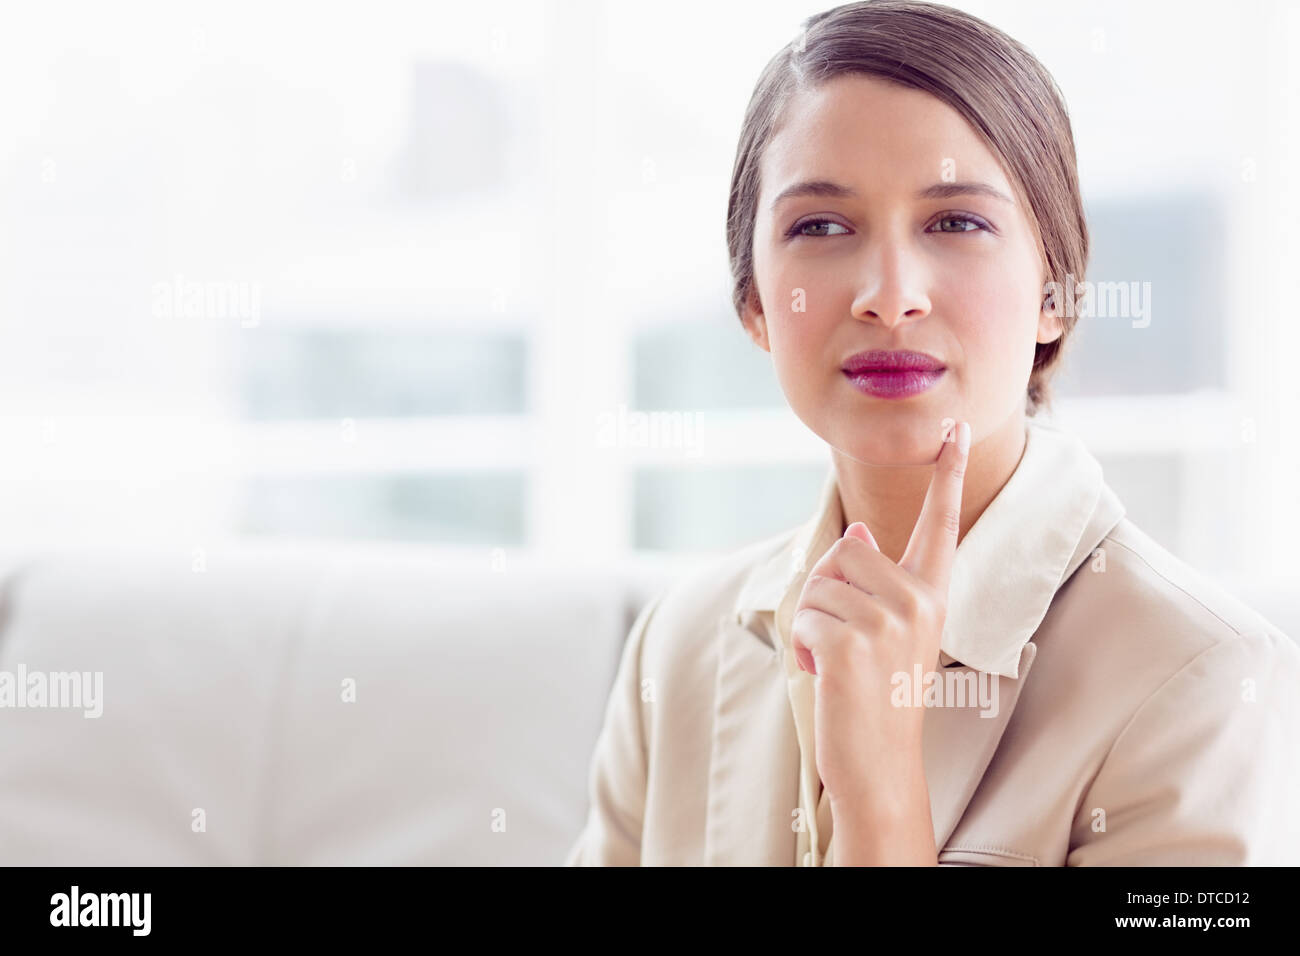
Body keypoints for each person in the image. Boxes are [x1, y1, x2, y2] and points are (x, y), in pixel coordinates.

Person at [565, 0, 1300, 866]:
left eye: (956, 222)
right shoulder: (681, 642)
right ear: (754, 302)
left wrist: (881, 806)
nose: (889, 293)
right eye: (821, 226)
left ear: (1055, 295)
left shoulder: (1202, 675)